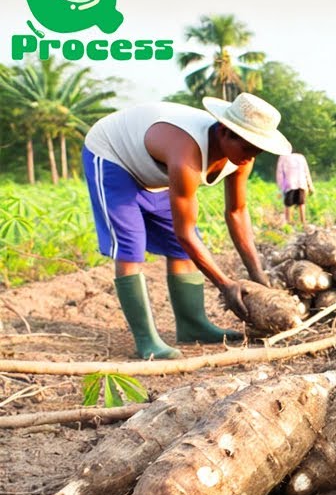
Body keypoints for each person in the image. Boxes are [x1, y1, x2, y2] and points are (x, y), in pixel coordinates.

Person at [83, 93, 291, 360]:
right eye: (249, 148)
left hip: (152, 169)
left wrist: (257, 276)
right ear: (226, 132)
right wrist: (225, 285)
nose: (252, 156)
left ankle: (192, 325)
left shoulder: (242, 159)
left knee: (179, 249)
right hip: (113, 155)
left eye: (258, 150)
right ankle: (146, 341)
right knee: (130, 246)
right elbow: (185, 232)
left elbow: (237, 212)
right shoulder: (187, 154)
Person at [275, 152, 314, 224]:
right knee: (301, 203)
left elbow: (280, 172)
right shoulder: (301, 157)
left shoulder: (283, 157)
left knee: (288, 204)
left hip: (289, 183)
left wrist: (281, 186)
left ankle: (288, 222)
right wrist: (310, 186)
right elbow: (306, 172)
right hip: (301, 182)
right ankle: (303, 222)